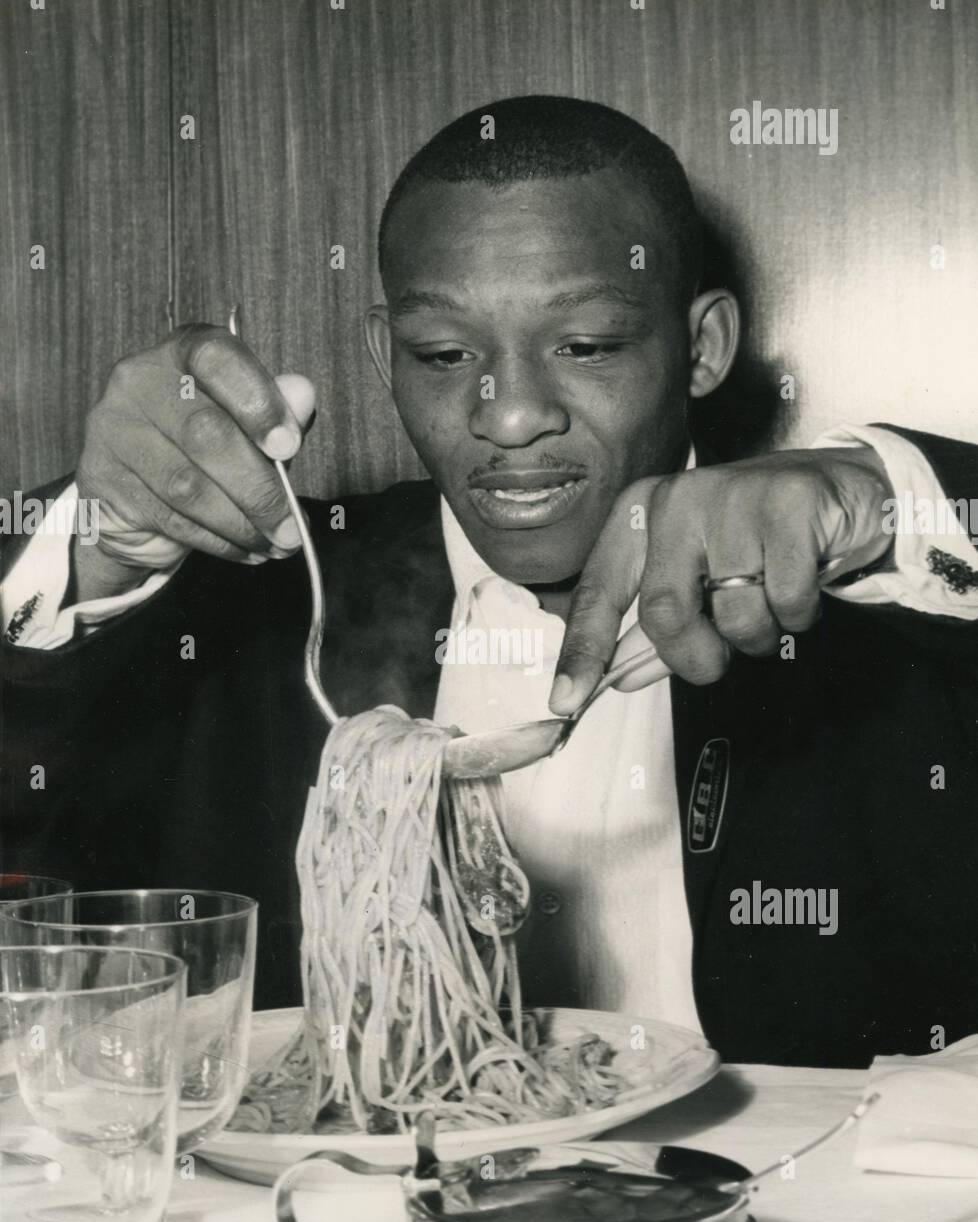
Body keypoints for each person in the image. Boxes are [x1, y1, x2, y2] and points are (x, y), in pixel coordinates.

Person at [2, 96, 976, 1066]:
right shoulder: (254, 614)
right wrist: (98, 535)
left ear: (704, 348)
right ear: (386, 355)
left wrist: (876, 498)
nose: (509, 416)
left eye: (586, 345)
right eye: (445, 354)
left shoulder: (881, 604)